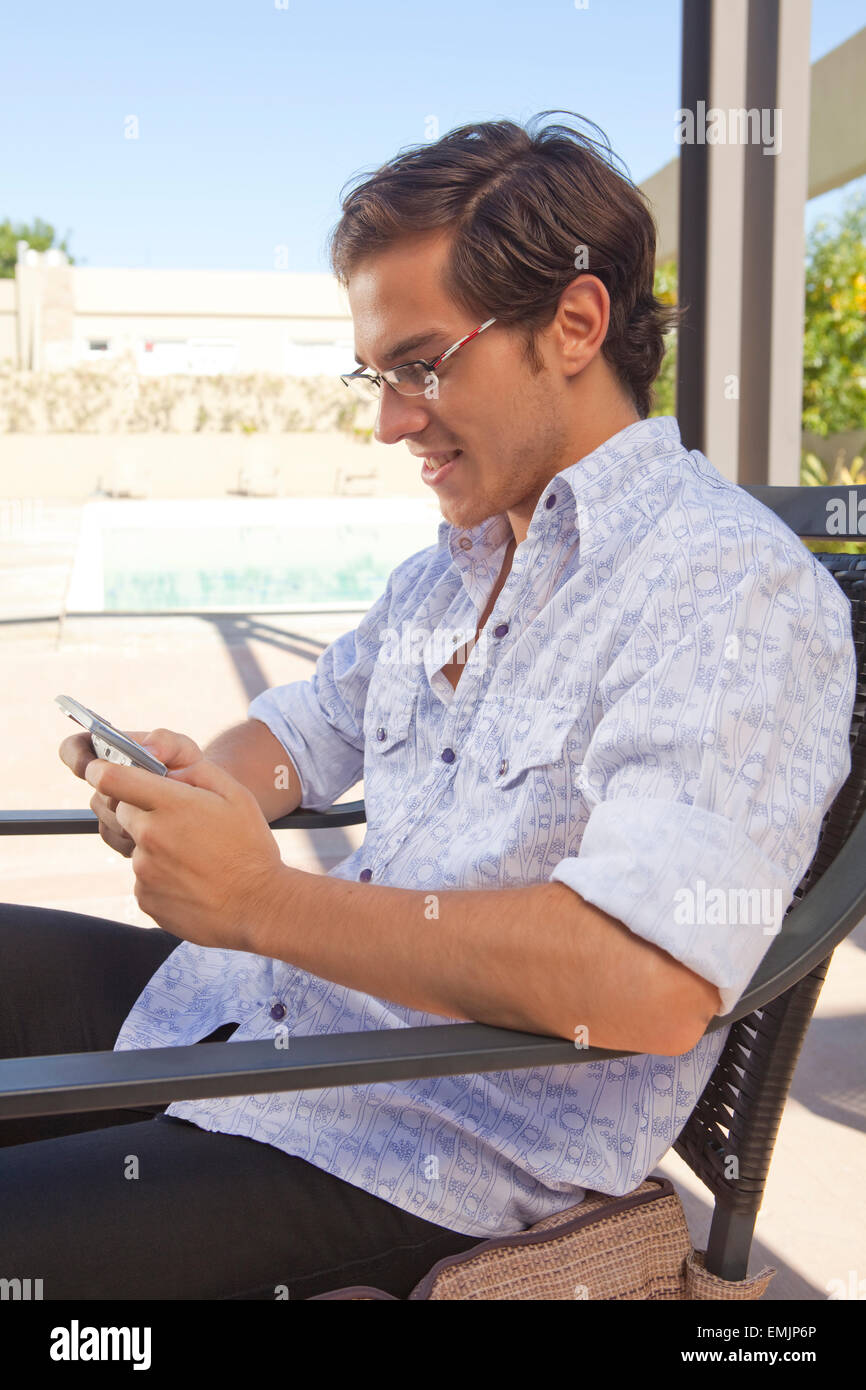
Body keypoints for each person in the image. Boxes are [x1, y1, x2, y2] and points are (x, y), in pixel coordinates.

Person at [0, 112, 856, 1300]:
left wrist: (256, 901)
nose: (390, 420)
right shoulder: (448, 566)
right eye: (377, 374)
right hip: (268, 1018)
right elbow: (305, 732)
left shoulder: (729, 590)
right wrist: (197, 785)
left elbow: (647, 982)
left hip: (428, 1136)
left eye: (421, 364)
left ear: (574, 322)